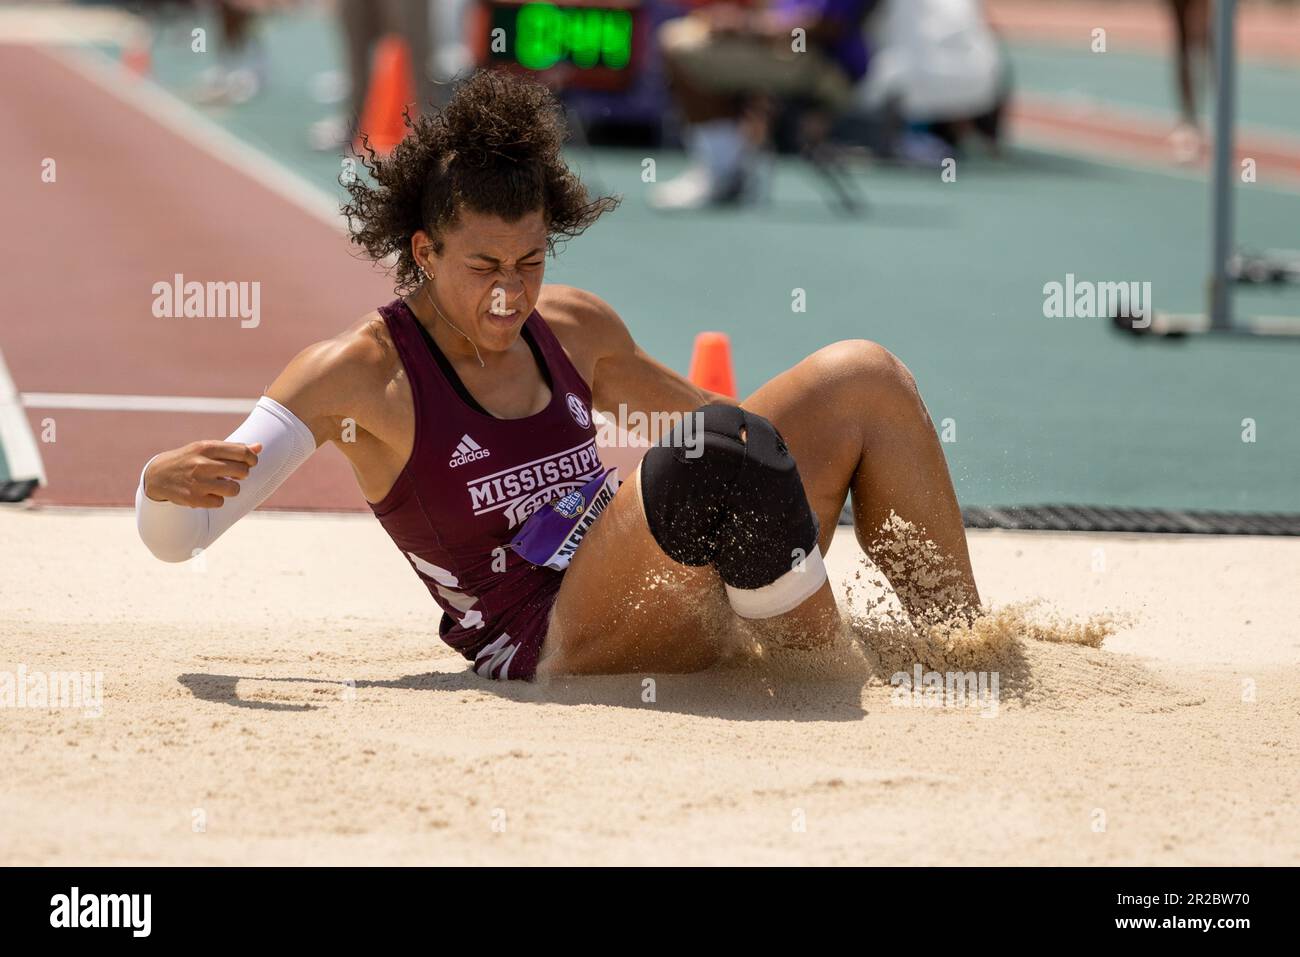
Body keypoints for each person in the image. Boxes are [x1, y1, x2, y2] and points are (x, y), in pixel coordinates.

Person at [135, 70, 979, 680]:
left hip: (652, 578)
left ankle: (967, 649)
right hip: (550, 636)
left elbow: (743, 433)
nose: (510, 294)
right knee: (719, 455)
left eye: (529, 261)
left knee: (861, 378)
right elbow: (184, 538)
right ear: (424, 253)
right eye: (484, 266)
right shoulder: (355, 377)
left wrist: (841, 466)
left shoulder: (572, 326)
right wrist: (156, 488)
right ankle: (824, 675)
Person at [652, 0, 878, 209]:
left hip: (822, 63)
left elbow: (826, 26)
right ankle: (735, 161)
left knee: (680, 46)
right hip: (793, 50)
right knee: (687, 34)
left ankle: (723, 172)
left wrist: (748, 26)